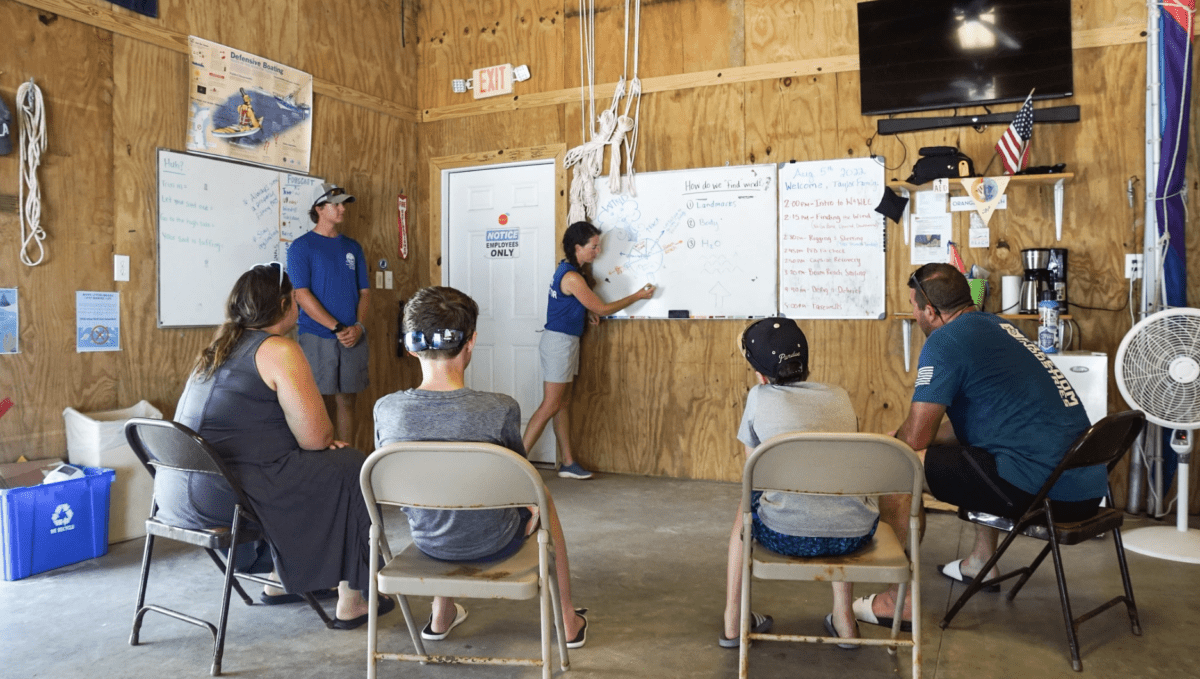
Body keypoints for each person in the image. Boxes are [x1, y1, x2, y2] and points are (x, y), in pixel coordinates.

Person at [855, 263, 1099, 632]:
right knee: (971, 446)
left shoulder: (945, 341)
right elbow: (975, 425)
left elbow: (917, 439)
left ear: (931, 312)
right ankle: (981, 564)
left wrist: (891, 445)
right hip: (1085, 487)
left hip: (1045, 493)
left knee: (899, 467)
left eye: (915, 307)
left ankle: (896, 601)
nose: (916, 315)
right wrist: (900, 435)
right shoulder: (1002, 326)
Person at [152, 263, 392, 630]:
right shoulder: (279, 349)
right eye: (294, 298)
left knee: (307, 465)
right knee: (350, 467)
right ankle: (352, 599)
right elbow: (317, 438)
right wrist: (327, 444)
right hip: (224, 497)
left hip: (175, 494)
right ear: (284, 305)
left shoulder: (218, 348)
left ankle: (279, 581)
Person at [374, 286, 589, 648]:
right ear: (471, 342)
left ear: (410, 346)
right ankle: (567, 621)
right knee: (543, 495)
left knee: (436, 488)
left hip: (428, 543)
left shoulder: (386, 410)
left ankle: (441, 616)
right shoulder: (499, 409)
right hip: (496, 542)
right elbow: (522, 487)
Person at [720, 317, 877, 649]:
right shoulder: (840, 396)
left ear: (761, 374)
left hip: (784, 536)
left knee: (744, 503)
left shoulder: (758, 397)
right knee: (841, 492)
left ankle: (733, 620)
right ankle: (844, 619)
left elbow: (755, 474)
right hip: (852, 538)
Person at [522, 221, 655, 479]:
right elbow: (603, 308)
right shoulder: (571, 277)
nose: (598, 252)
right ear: (578, 248)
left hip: (567, 341)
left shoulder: (572, 270)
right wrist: (637, 296)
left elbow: (577, 306)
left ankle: (568, 463)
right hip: (558, 343)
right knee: (550, 405)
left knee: (562, 404)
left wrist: (584, 314)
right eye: (593, 247)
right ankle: (515, 462)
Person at [287, 182, 370, 447]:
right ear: (319, 209)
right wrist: (336, 327)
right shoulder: (301, 247)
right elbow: (301, 293)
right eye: (336, 204)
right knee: (317, 400)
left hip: (353, 336)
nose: (342, 209)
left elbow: (365, 293)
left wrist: (357, 327)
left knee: (347, 399)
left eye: (343, 203)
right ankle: (320, 457)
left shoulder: (353, 247)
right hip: (317, 335)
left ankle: (346, 458)